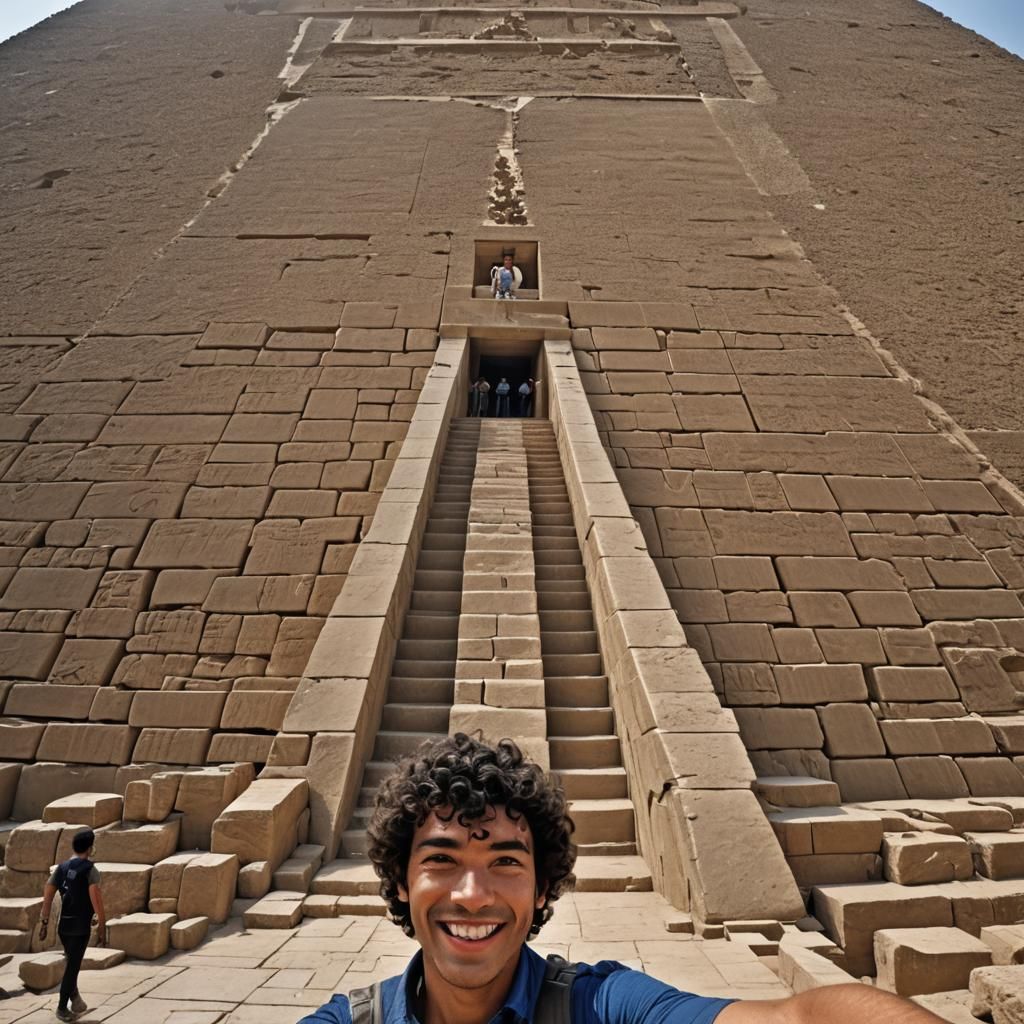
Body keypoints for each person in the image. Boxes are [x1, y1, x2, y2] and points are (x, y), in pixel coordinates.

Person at [301, 735, 945, 1024]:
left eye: (505, 861)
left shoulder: (600, 1005)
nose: (473, 895)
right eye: (441, 860)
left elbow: (796, 1018)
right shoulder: (351, 1020)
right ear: (401, 882)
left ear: (544, 889)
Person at [40, 828, 106, 1021]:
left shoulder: (61, 868)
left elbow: (48, 894)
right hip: (80, 927)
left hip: (64, 927)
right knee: (73, 967)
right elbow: (96, 898)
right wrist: (102, 924)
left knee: (72, 962)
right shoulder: (90, 870)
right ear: (90, 848)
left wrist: (44, 922)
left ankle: (75, 998)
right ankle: (62, 1008)